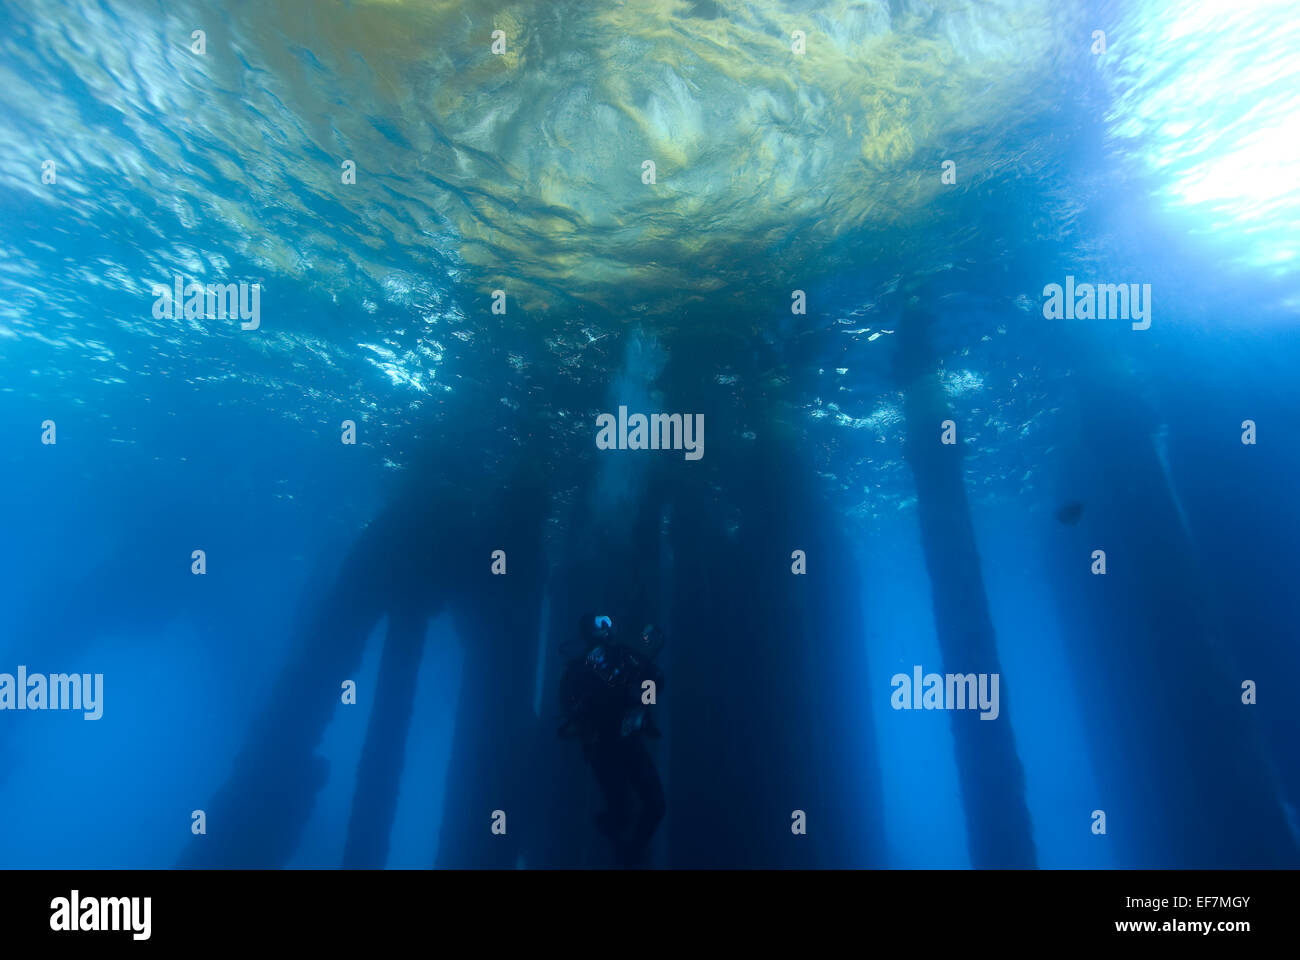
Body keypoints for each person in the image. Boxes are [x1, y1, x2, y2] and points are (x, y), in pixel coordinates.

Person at [558, 613, 666, 867]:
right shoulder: (578, 670)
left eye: (608, 621)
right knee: (623, 812)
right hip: (603, 748)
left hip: (629, 740)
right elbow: (568, 709)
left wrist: (641, 706)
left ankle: (631, 853)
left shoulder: (625, 655)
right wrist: (587, 724)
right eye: (600, 623)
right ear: (589, 632)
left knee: (656, 805)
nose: (607, 627)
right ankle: (620, 844)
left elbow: (656, 677)